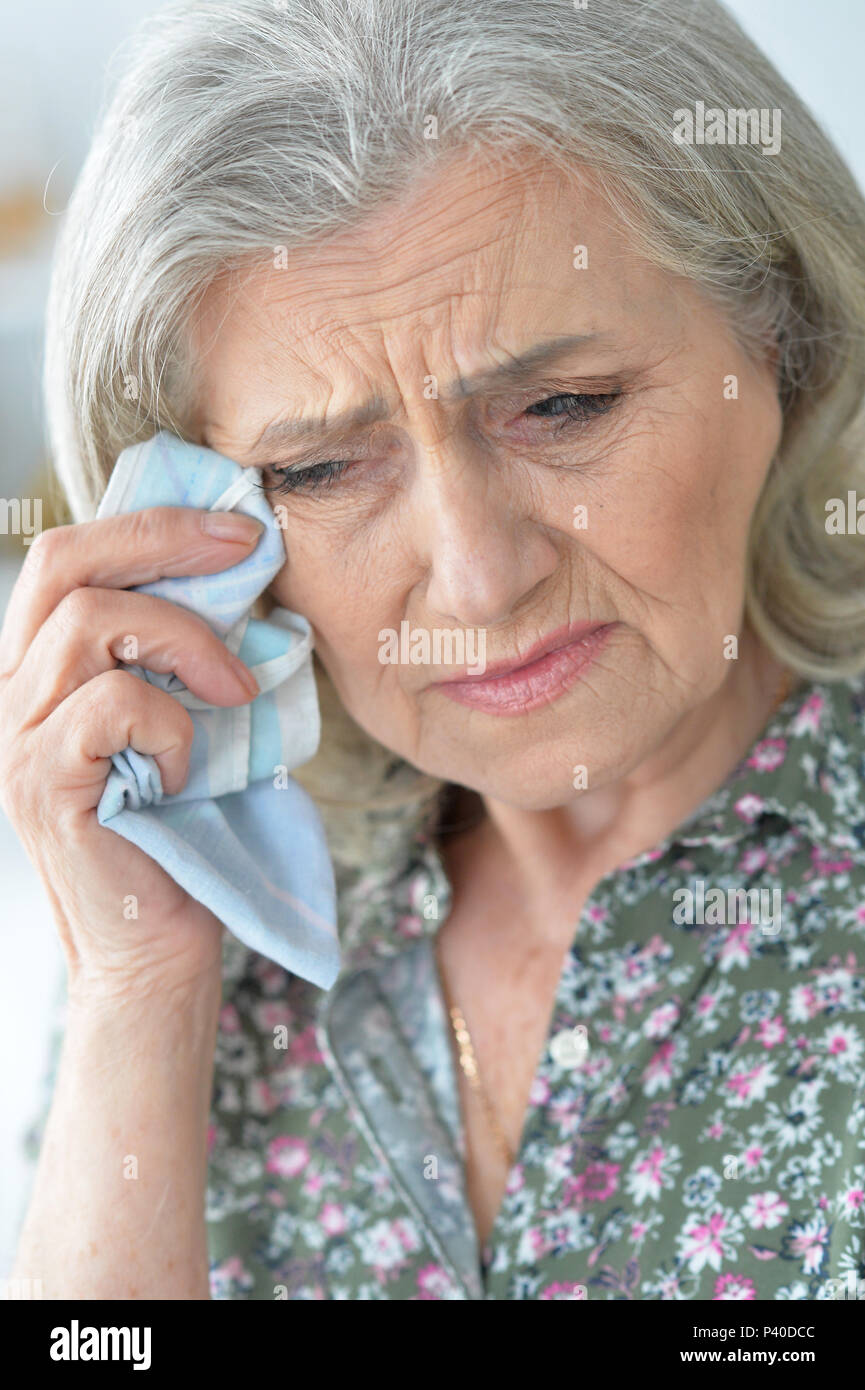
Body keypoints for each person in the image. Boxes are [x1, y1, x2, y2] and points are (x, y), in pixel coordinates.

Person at [4, 0, 865, 1300]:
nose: (474, 575)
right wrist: (140, 998)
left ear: (784, 346)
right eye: (319, 468)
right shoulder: (212, 893)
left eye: (562, 406)